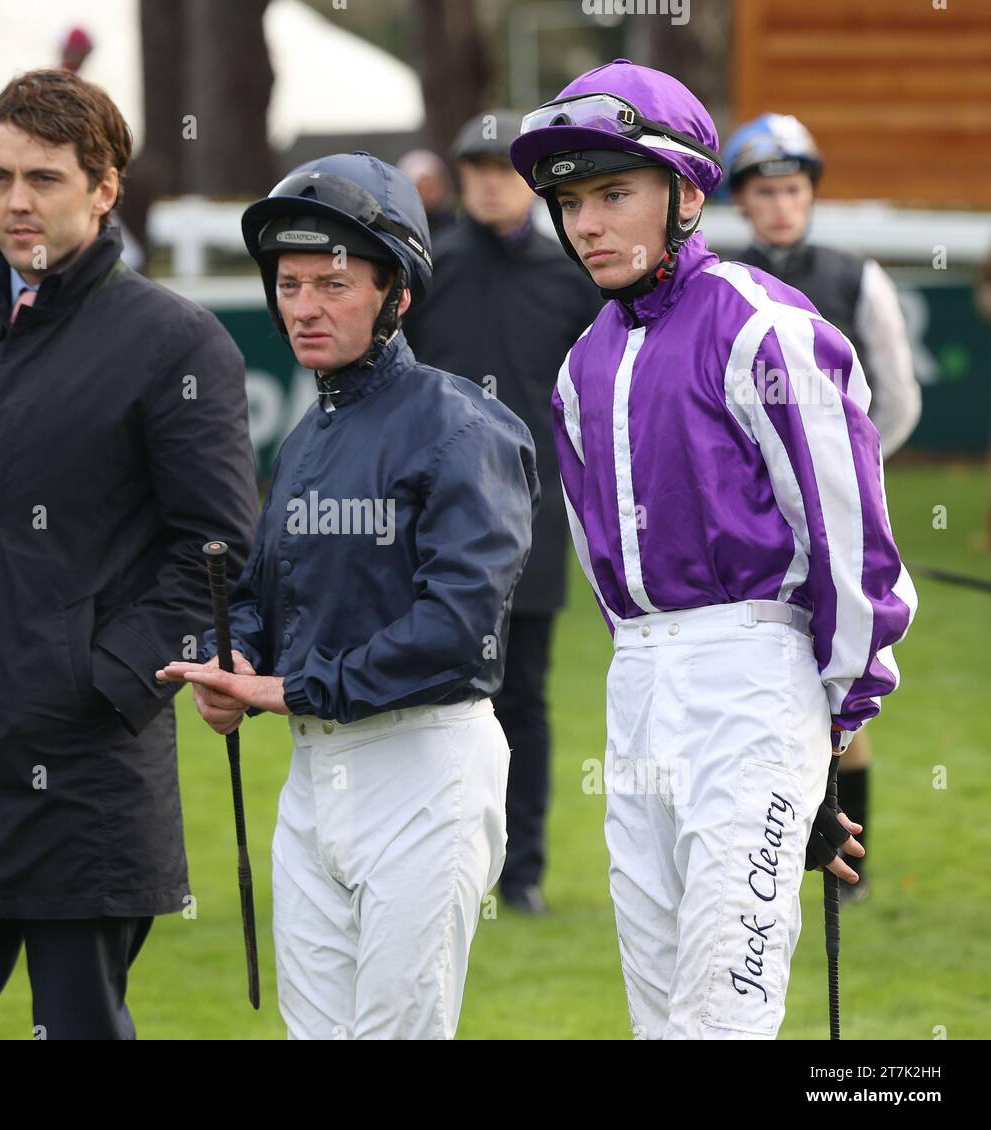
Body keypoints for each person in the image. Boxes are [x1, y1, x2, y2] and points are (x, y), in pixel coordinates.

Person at [510, 59, 916, 1038]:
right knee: (660, 1012)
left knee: (721, 1010)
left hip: (752, 684)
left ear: (686, 192)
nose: (588, 224)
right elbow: (604, 562)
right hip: (637, 685)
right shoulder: (581, 366)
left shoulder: (763, 325)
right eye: (570, 201)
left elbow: (850, 536)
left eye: (613, 192)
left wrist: (826, 726)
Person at [0, 69, 260, 1040]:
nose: (15, 201)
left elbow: (214, 549)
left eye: (42, 177)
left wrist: (100, 679)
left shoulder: (175, 343)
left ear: (104, 186)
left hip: (82, 776)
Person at [156, 152, 540, 1040]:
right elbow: (261, 590)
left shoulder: (464, 427)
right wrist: (237, 657)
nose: (303, 308)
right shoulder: (303, 440)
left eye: (332, 284)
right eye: (289, 285)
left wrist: (291, 687)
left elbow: (458, 628)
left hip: (425, 771)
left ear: (395, 292)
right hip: (314, 777)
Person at [405, 109, 602, 915]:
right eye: (474, 168)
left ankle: (519, 873)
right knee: (431, 694)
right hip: (435, 525)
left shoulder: (571, 279)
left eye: (502, 169)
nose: (489, 182)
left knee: (523, 697)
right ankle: (436, 866)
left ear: (529, 180)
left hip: (536, 523)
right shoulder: (429, 271)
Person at [724, 114, 925, 899]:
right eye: (764, 192)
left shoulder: (855, 275)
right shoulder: (715, 283)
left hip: (837, 521)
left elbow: (897, 396)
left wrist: (854, 481)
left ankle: (846, 866)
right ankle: (758, 850)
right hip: (750, 527)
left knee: (848, 688)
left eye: (792, 189)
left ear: (810, 193)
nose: (780, 205)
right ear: (743, 200)